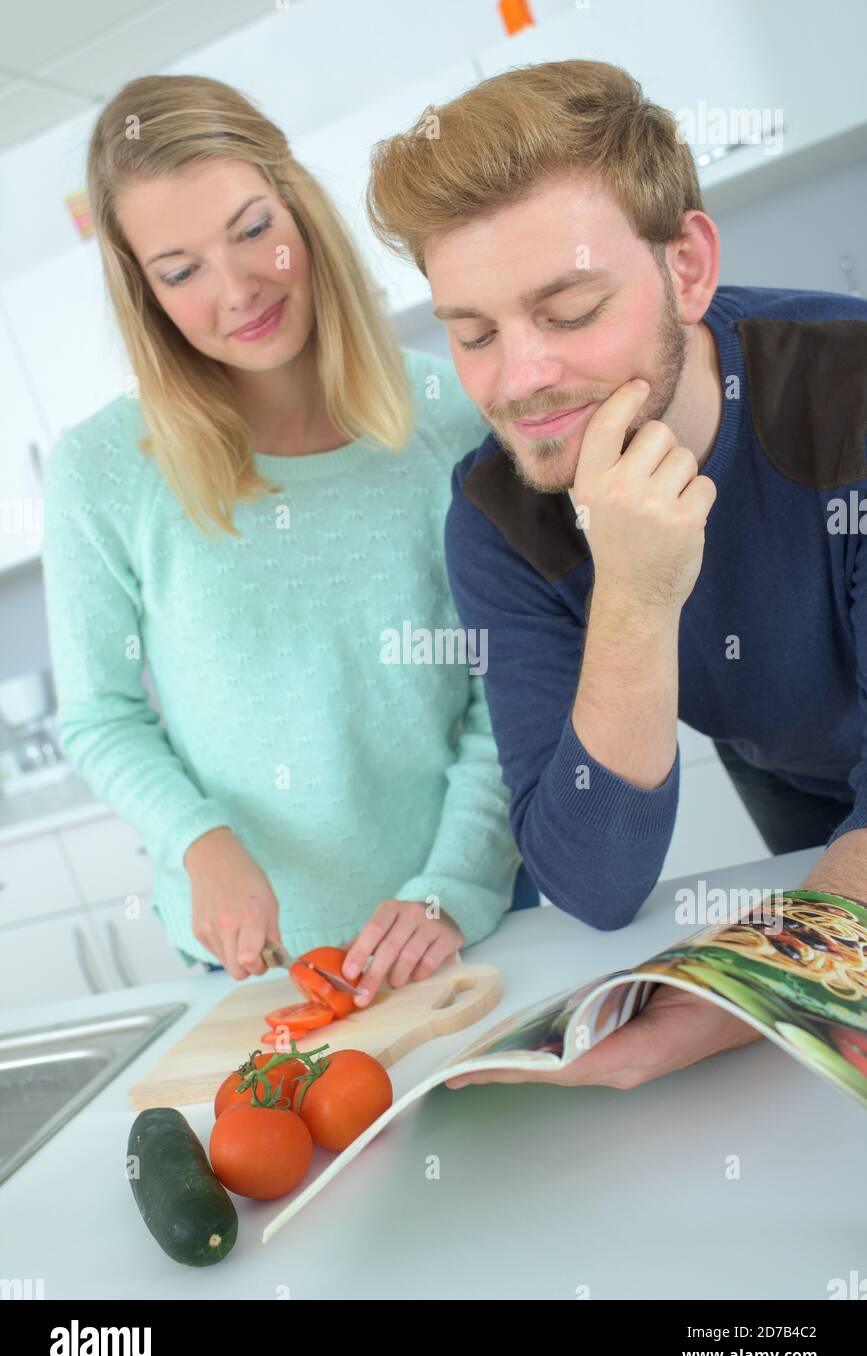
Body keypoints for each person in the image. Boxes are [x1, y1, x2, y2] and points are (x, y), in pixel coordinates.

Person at [363, 58, 867, 1088]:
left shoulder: (851, 399)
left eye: (569, 310)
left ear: (685, 267)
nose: (521, 379)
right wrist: (635, 600)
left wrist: (737, 1001)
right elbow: (593, 879)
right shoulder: (500, 520)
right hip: (791, 766)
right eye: (473, 333)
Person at [41, 73, 535, 999]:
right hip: (255, 971)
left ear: (299, 207)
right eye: (180, 271)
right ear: (145, 293)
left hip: (468, 922)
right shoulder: (101, 473)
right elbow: (101, 714)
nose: (239, 291)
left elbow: (506, 685)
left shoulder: (447, 419)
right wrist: (199, 840)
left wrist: (452, 886)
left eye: (253, 229)